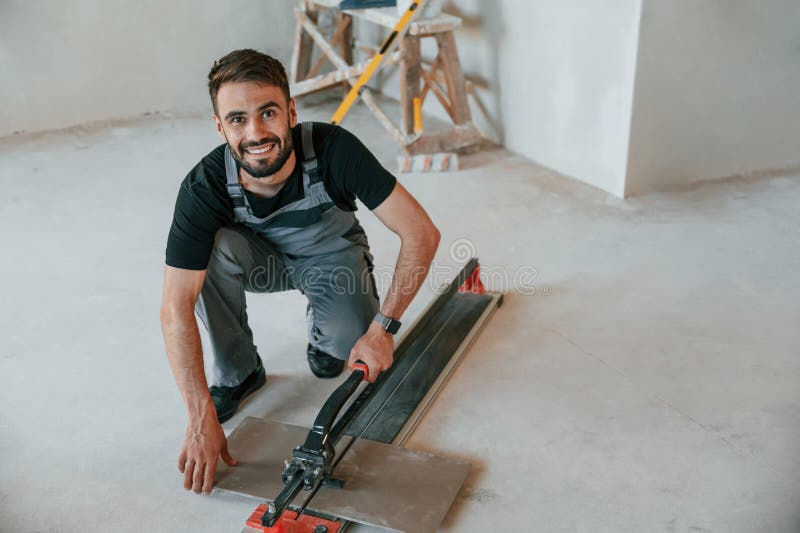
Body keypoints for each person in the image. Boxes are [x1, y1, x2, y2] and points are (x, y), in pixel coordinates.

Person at [159, 49, 440, 495]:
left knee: (348, 353)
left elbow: (421, 233)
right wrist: (199, 416)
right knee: (209, 254)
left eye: (267, 112)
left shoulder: (335, 150)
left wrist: (382, 329)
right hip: (258, 262)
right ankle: (239, 372)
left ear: (291, 110)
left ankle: (326, 330)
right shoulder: (205, 185)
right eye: (237, 119)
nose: (255, 132)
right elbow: (175, 306)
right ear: (220, 126)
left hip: (329, 261)